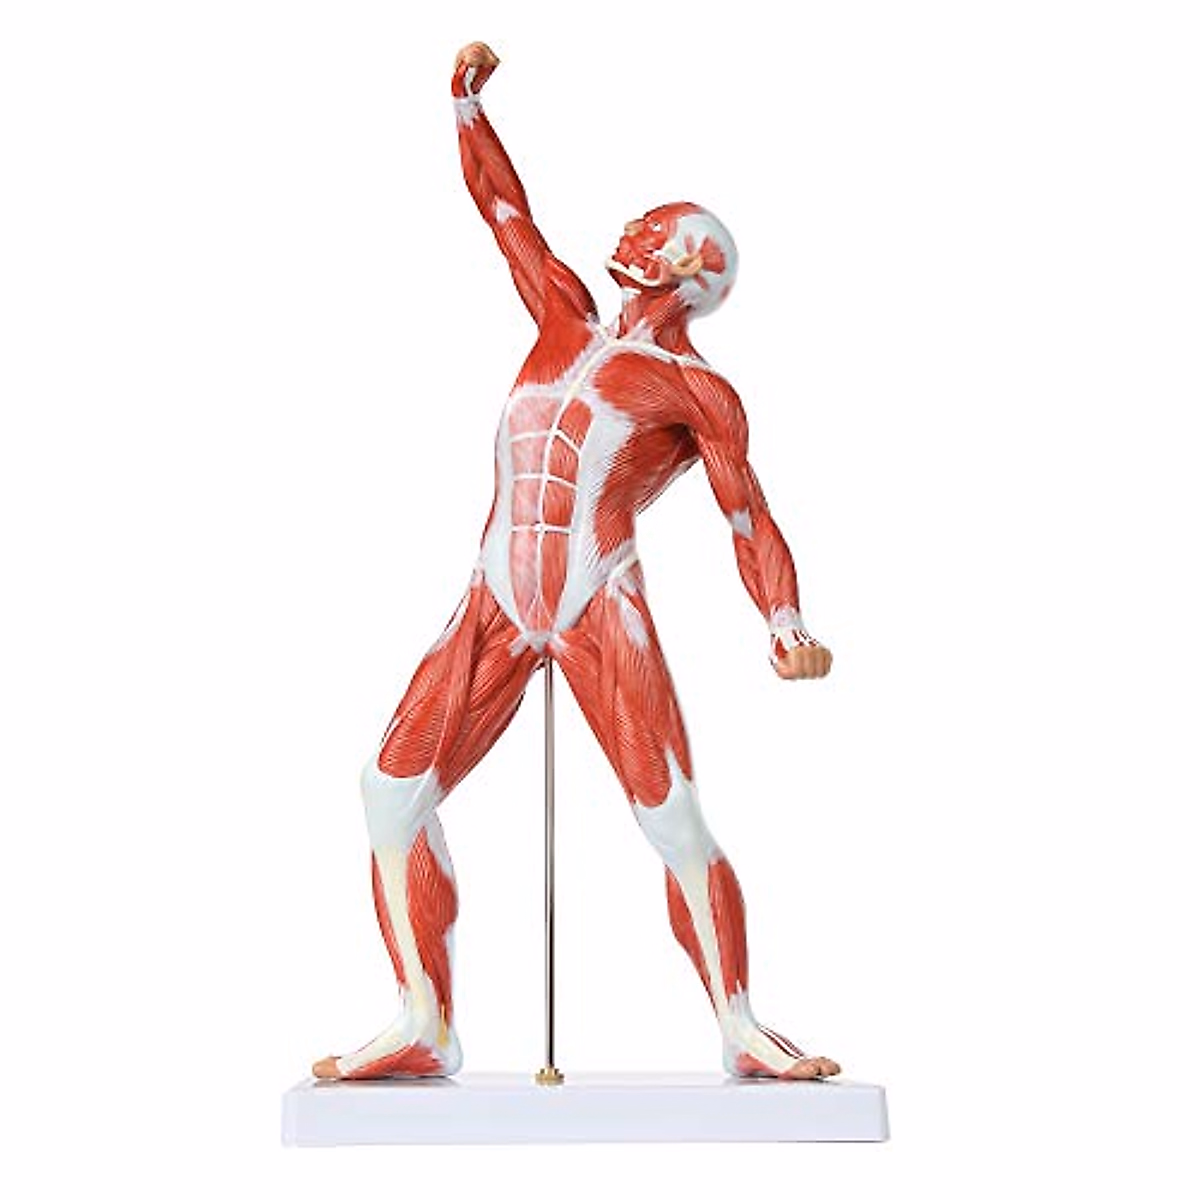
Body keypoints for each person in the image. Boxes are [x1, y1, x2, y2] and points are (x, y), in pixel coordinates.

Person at [313, 43, 839, 1082]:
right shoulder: (561, 314)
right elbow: (504, 211)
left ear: (691, 269)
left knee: (673, 819)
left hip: (600, 604)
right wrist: (466, 110)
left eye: (654, 231)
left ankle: (741, 1026)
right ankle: (424, 1019)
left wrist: (785, 624)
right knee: (389, 794)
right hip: (497, 600)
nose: (630, 235)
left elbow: (746, 515)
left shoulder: (699, 392)